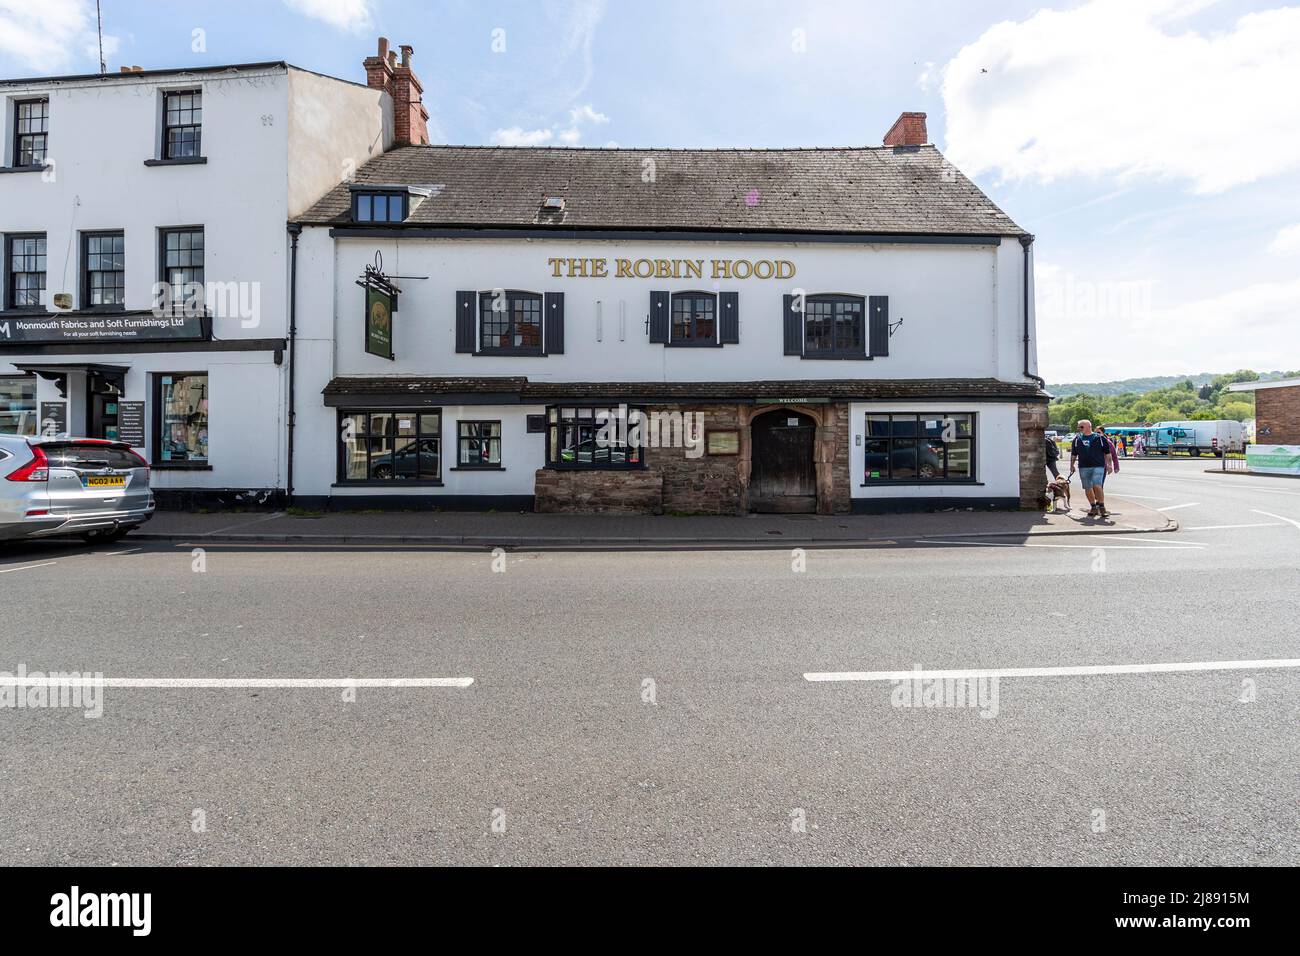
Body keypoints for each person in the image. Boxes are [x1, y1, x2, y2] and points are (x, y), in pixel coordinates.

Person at [1069, 419, 1112, 517]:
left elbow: (1108, 453)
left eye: (1081, 427)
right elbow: (1074, 454)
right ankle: (1093, 507)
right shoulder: (1077, 439)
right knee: (1087, 487)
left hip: (1098, 466)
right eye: (1079, 427)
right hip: (1083, 466)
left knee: (1097, 485)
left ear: (1089, 426)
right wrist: (1071, 465)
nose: (1079, 429)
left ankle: (1101, 506)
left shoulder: (1100, 438)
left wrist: (1109, 465)